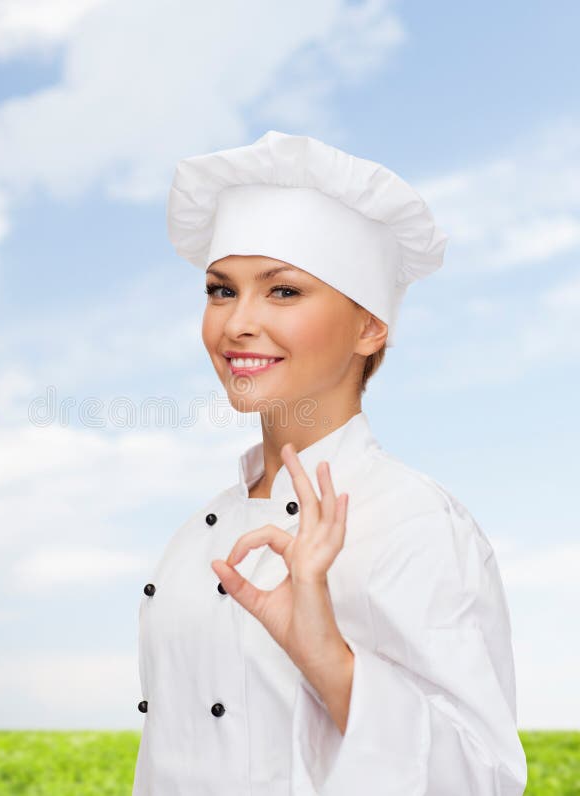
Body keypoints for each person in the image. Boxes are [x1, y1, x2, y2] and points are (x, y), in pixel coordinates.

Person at [131, 130, 528, 795]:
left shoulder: (413, 522)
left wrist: (328, 662)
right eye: (221, 291)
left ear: (370, 327)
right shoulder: (195, 537)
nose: (236, 324)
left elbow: (480, 779)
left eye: (283, 292)